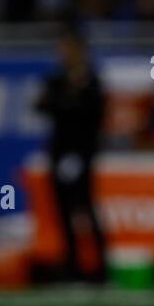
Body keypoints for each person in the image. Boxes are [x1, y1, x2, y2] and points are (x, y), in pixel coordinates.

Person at [35, 28, 107, 282]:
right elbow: (42, 105)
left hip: (82, 152)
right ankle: (72, 267)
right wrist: (68, 98)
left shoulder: (91, 79)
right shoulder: (57, 80)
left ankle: (100, 269)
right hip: (59, 151)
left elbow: (94, 112)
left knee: (86, 209)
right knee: (63, 212)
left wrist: (71, 99)